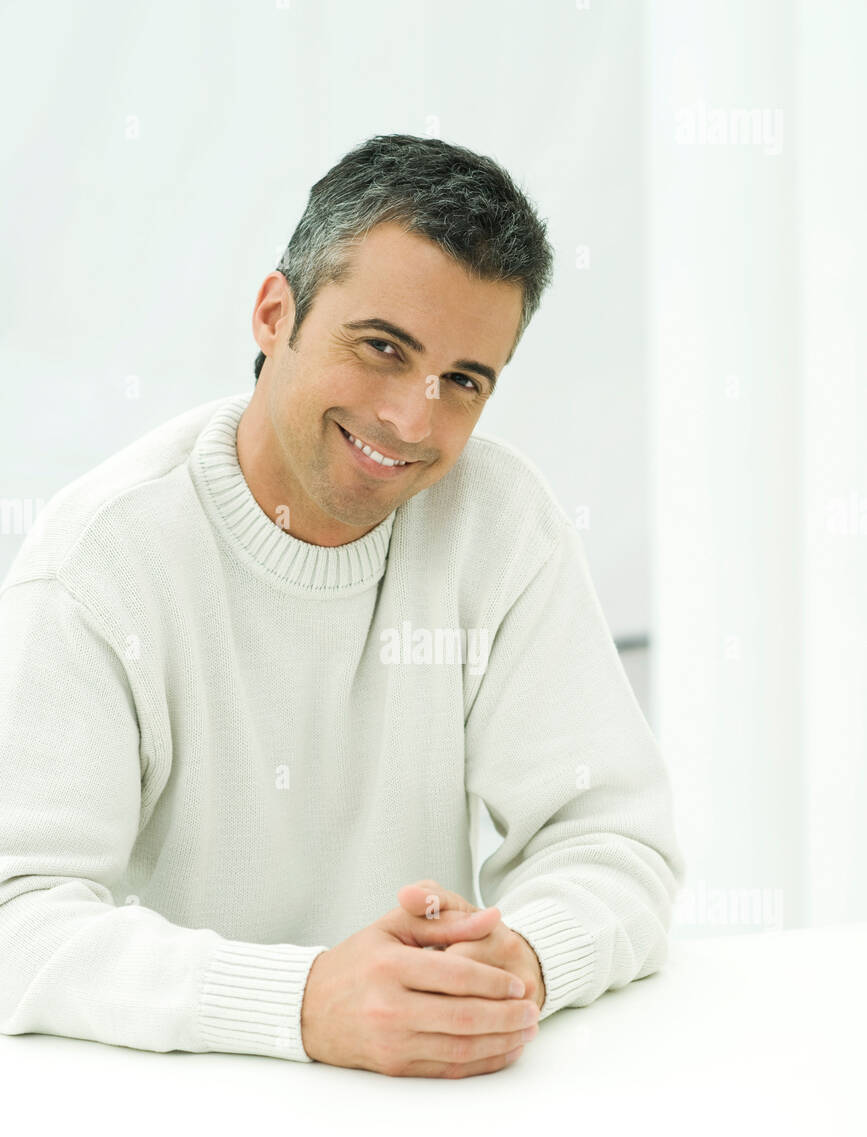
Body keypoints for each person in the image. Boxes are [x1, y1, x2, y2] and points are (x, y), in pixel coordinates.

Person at [0, 133, 685, 1080]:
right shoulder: (98, 560)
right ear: (274, 312)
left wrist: (520, 960)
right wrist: (304, 999)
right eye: (381, 348)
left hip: (432, 1107)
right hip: (167, 1117)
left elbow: (613, 839)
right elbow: (16, 918)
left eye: (463, 381)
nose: (413, 418)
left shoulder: (500, 524)